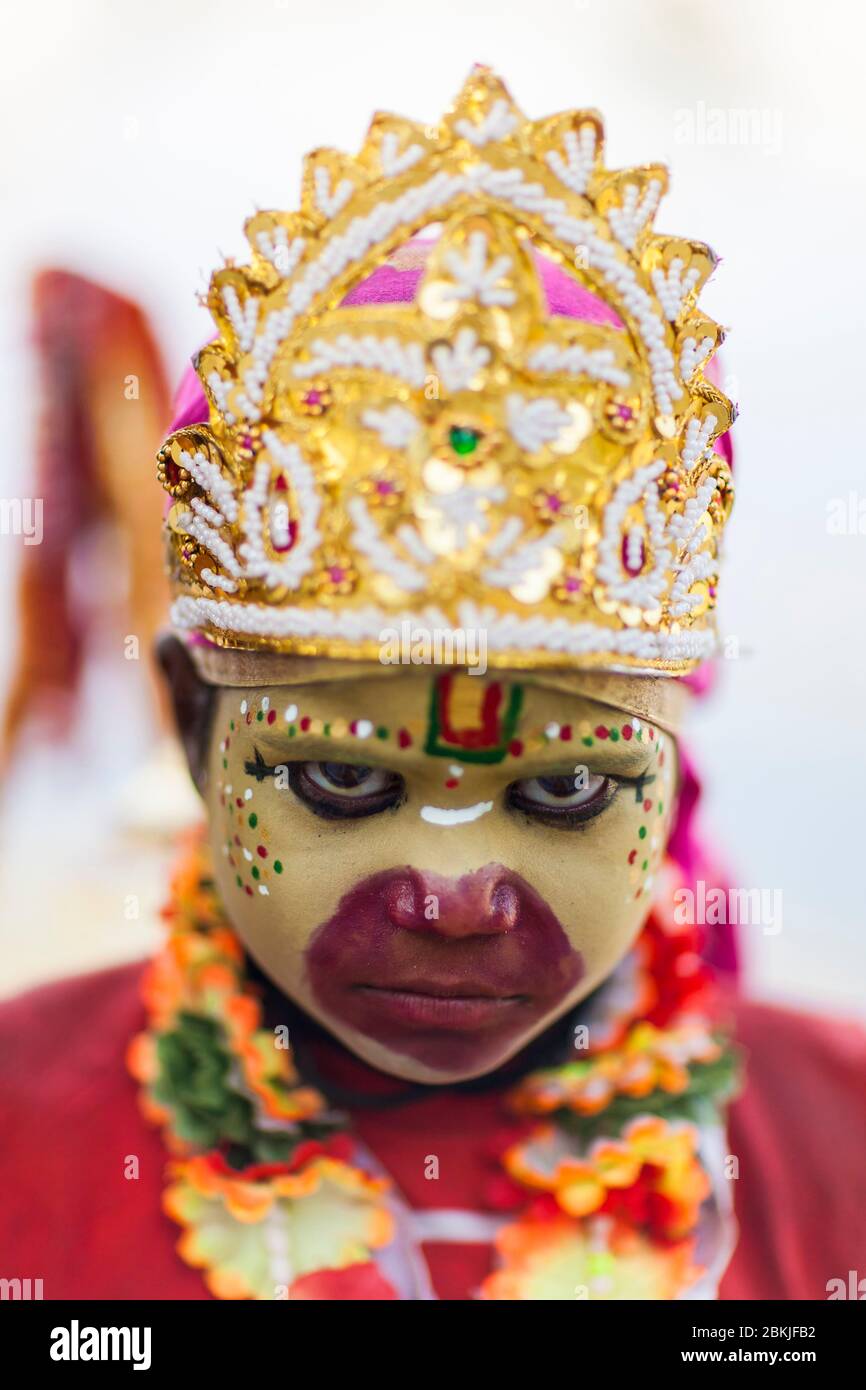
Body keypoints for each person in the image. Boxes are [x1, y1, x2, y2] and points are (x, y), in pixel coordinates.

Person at [2, 68, 864, 1302]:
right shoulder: (19, 1135)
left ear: (674, 755)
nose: (455, 897)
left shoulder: (838, 1145)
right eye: (344, 776)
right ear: (193, 726)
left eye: (565, 788)